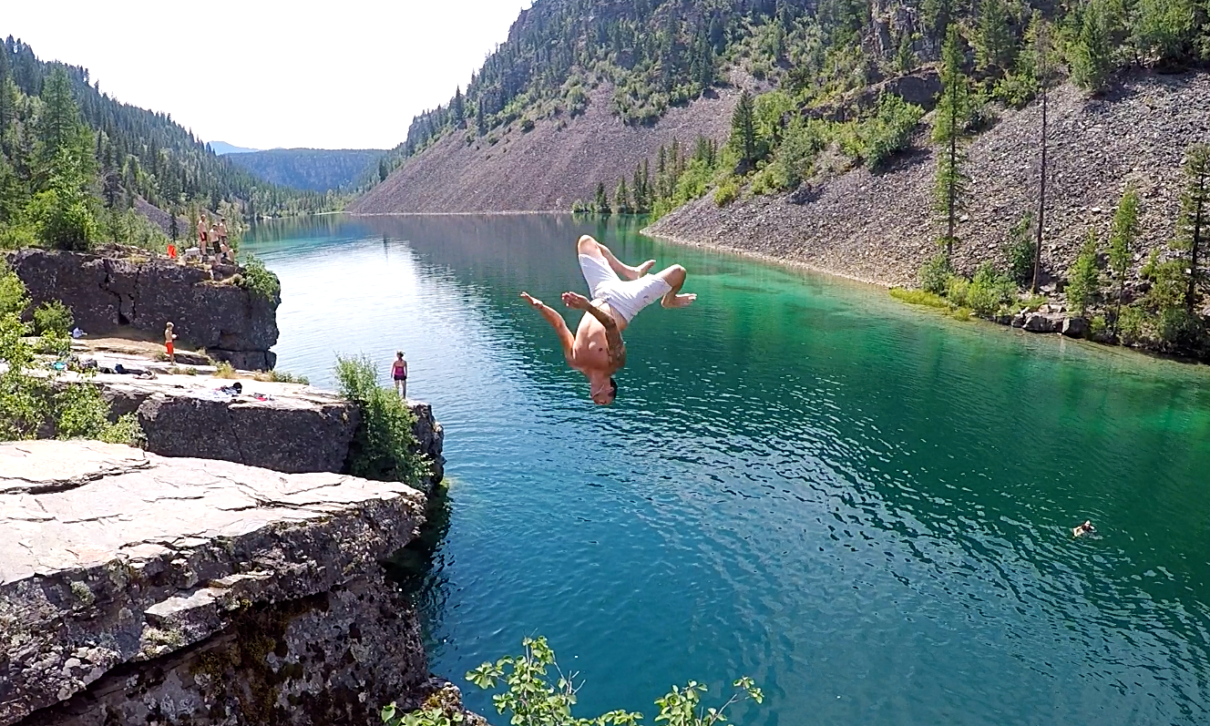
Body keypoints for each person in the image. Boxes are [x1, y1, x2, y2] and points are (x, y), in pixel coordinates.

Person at [520, 234, 695, 405]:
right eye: (604, 402)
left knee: (585, 242)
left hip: (600, 293)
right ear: (609, 390)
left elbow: (559, 326)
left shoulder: (574, 360)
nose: (598, 402)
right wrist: (587, 307)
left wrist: (541, 307)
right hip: (626, 302)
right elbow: (611, 325)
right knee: (678, 272)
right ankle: (669, 300)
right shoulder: (615, 362)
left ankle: (630, 272)